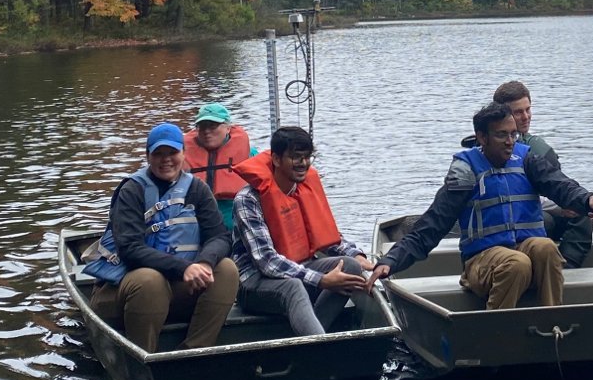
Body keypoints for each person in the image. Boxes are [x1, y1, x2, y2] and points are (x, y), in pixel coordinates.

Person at [375, 100, 593, 310]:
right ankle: (497, 335)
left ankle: (552, 324)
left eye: (513, 135)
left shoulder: (526, 159)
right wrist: (391, 261)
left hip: (522, 251)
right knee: (517, 263)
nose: (509, 142)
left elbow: (560, 185)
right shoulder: (465, 171)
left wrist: (586, 199)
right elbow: (433, 224)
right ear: (482, 137)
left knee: (546, 248)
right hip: (481, 263)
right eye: (501, 135)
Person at [82, 123, 239, 350]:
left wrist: (203, 263)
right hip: (126, 291)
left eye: (173, 153)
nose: (166, 160)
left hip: (178, 289)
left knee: (226, 269)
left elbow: (220, 237)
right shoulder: (132, 191)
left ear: (184, 154)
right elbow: (130, 248)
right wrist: (183, 268)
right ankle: (143, 358)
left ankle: (193, 352)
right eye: (158, 154)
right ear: (148, 156)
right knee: (150, 281)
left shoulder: (197, 189)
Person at [231, 125, 376, 337]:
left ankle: (311, 337)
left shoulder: (302, 188)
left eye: (307, 157)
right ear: (277, 159)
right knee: (293, 286)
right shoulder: (247, 199)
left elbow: (327, 235)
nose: (303, 163)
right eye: (296, 157)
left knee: (351, 267)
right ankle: (318, 347)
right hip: (253, 283)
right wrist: (321, 280)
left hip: (299, 268)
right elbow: (267, 261)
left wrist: (356, 254)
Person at [488, 79, 593, 268]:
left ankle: (567, 267)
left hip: (540, 208)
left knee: (581, 215)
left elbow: (556, 183)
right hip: (508, 218)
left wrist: (580, 202)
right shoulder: (490, 148)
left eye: (528, 109)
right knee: (543, 221)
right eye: (518, 112)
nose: (526, 117)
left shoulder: (537, 149)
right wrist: (557, 208)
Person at [187, 103, 252, 230]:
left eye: (213, 126)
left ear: (228, 128)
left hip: (234, 218)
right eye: (202, 127)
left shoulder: (249, 155)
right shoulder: (182, 157)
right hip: (198, 219)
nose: (206, 131)